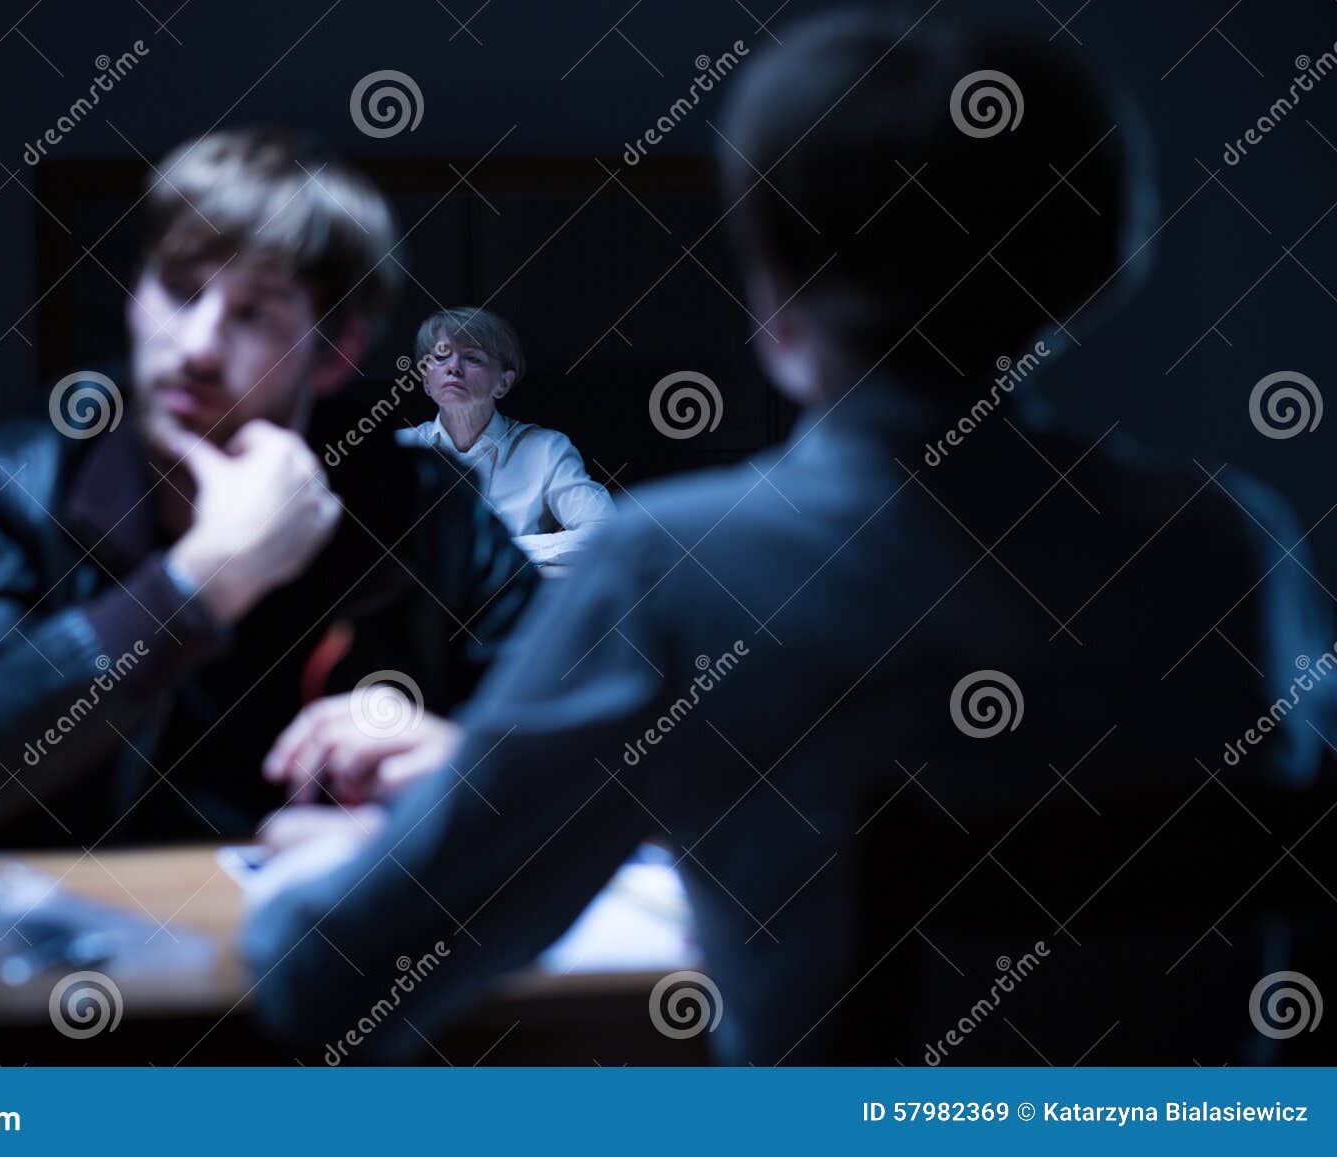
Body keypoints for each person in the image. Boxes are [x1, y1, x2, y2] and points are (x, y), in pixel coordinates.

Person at [241, 12, 1333, 1063]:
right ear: (1093, 261)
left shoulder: (674, 568)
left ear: (772, 286)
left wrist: (323, 873)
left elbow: (331, 979)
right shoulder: (1230, 541)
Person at [0, 127, 537, 846]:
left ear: (333, 352)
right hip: (81, 918)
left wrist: (465, 762)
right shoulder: (2, 489)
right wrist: (199, 582)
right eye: (178, 289)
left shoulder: (425, 504)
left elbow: (592, 730)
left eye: (253, 312)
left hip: (339, 914)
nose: (196, 346)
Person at [396, 307, 613, 567]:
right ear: (426, 380)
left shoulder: (546, 449)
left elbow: (605, 530)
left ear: (503, 383)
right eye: (440, 357)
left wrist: (503, 551)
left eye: (472, 358)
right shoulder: (399, 449)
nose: (453, 367)